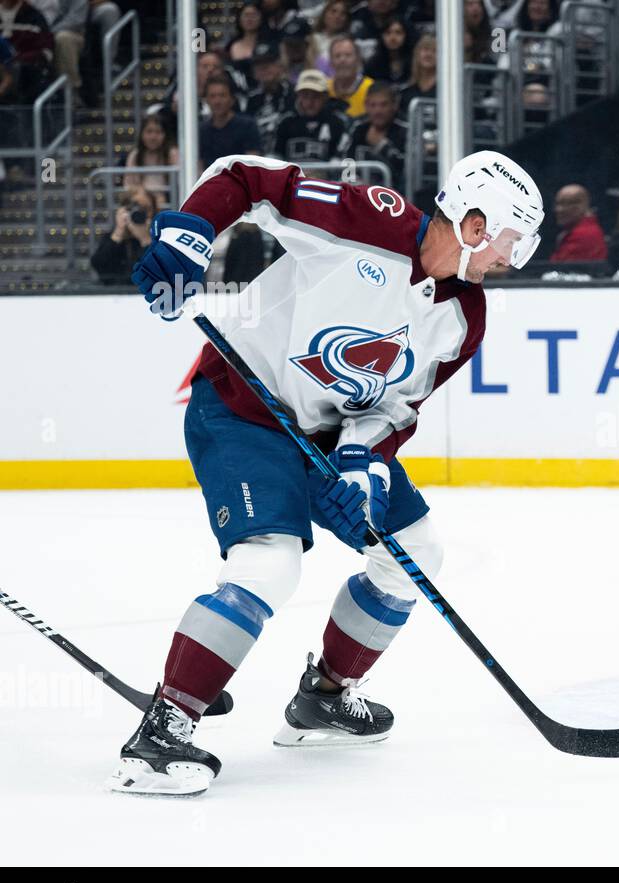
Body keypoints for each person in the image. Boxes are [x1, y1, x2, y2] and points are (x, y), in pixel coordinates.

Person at [113, 149, 546, 795]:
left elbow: (397, 406)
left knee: (413, 555)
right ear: (476, 225)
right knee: (270, 562)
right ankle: (162, 731)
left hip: (326, 435)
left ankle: (325, 694)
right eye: (510, 242)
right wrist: (189, 236)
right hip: (242, 410)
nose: (511, 260)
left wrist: (363, 465)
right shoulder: (368, 221)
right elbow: (247, 180)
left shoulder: (464, 317)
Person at [274, 69, 351, 162]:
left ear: (325, 97)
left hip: (325, 176)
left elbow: (340, 156)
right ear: (298, 96)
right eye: (305, 96)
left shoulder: (337, 122)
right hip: (293, 175)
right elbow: (276, 154)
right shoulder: (286, 122)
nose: (310, 102)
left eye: (316, 96)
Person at [343, 81, 407, 187]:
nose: (378, 111)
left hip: (394, 194)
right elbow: (344, 159)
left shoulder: (404, 129)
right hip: (359, 191)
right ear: (366, 105)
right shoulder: (357, 127)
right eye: (373, 105)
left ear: (394, 105)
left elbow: (406, 170)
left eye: (384, 105)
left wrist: (382, 146)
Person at [90, 186, 157, 284]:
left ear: (154, 212)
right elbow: (99, 265)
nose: (140, 212)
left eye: (146, 208)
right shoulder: (114, 237)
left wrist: (146, 240)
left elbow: (159, 271)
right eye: (136, 206)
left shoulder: (160, 238)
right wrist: (118, 233)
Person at [198, 74, 262, 169]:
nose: (217, 101)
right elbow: (199, 165)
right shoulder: (201, 130)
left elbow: (253, 163)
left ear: (232, 99)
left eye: (222, 95)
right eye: (212, 96)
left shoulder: (247, 126)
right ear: (206, 100)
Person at [246, 46, 295, 154]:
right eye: (259, 65)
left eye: (268, 64)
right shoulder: (250, 99)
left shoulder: (293, 93)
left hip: (285, 155)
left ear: (280, 66)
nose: (263, 69)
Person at [123, 114, 180, 202]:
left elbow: (179, 183)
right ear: (142, 134)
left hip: (169, 202)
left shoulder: (173, 153)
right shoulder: (135, 155)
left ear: (165, 134)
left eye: (158, 132)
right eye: (149, 132)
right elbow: (128, 185)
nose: (153, 137)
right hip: (142, 203)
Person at [549, 183, 607, 263]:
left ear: (581, 206)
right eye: (557, 204)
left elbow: (559, 268)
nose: (558, 210)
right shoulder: (576, 230)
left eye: (565, 203)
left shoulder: (585, 234)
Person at [327, 35, 373, 118]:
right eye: (337, 56)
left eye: (348, 55)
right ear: (331, 62)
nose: (342, 60)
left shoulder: (371, 88)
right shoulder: (324, 89)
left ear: (358, 60)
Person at [365, 17, 413, 84]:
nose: (393, 38)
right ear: (382, 36)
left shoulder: (414, 62)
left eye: (398, 32)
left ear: (406, 35)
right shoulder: (372, 65)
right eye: (388, 33)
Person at [398, 33, 437, 114]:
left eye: (435, 51)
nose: (429, 54)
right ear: (417, 53)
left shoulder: (446, 90)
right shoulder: (406, 92)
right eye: (425, 49)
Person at [310, 0, 350, 75]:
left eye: (343, 13)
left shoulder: (348, 43)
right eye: (333, 11)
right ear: (324, 14)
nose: (337, 16)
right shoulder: (311, 38)